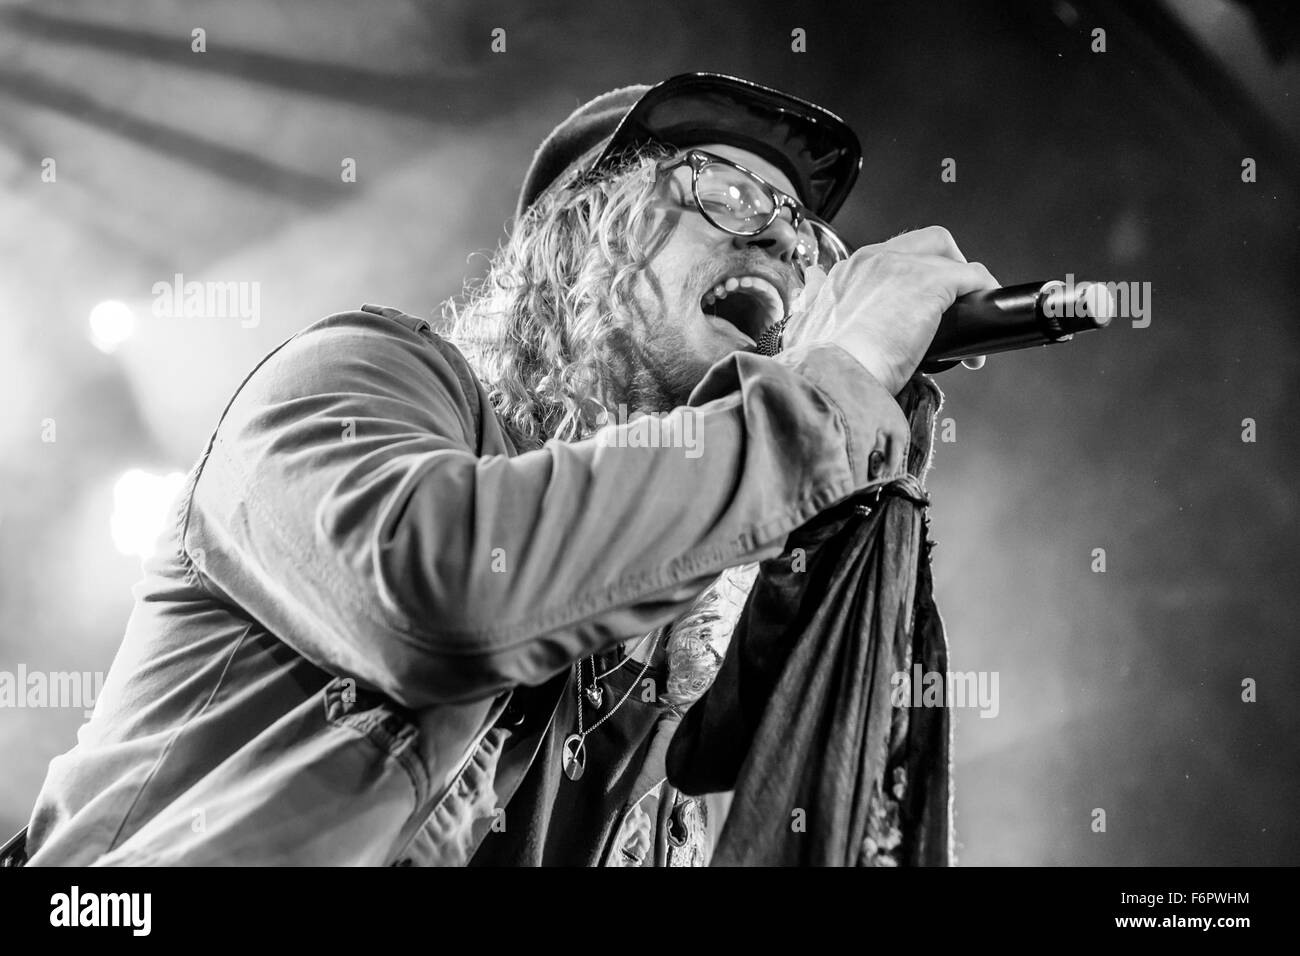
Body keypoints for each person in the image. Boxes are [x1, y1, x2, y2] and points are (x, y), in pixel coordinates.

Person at [19, 72, 994, 866]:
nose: (783, 240)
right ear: (582, 235)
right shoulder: (358, 372)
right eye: (727, 193)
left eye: (806, 235)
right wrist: (837, 376)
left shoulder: (646, 674)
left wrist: (865, 470)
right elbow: (442, 590)